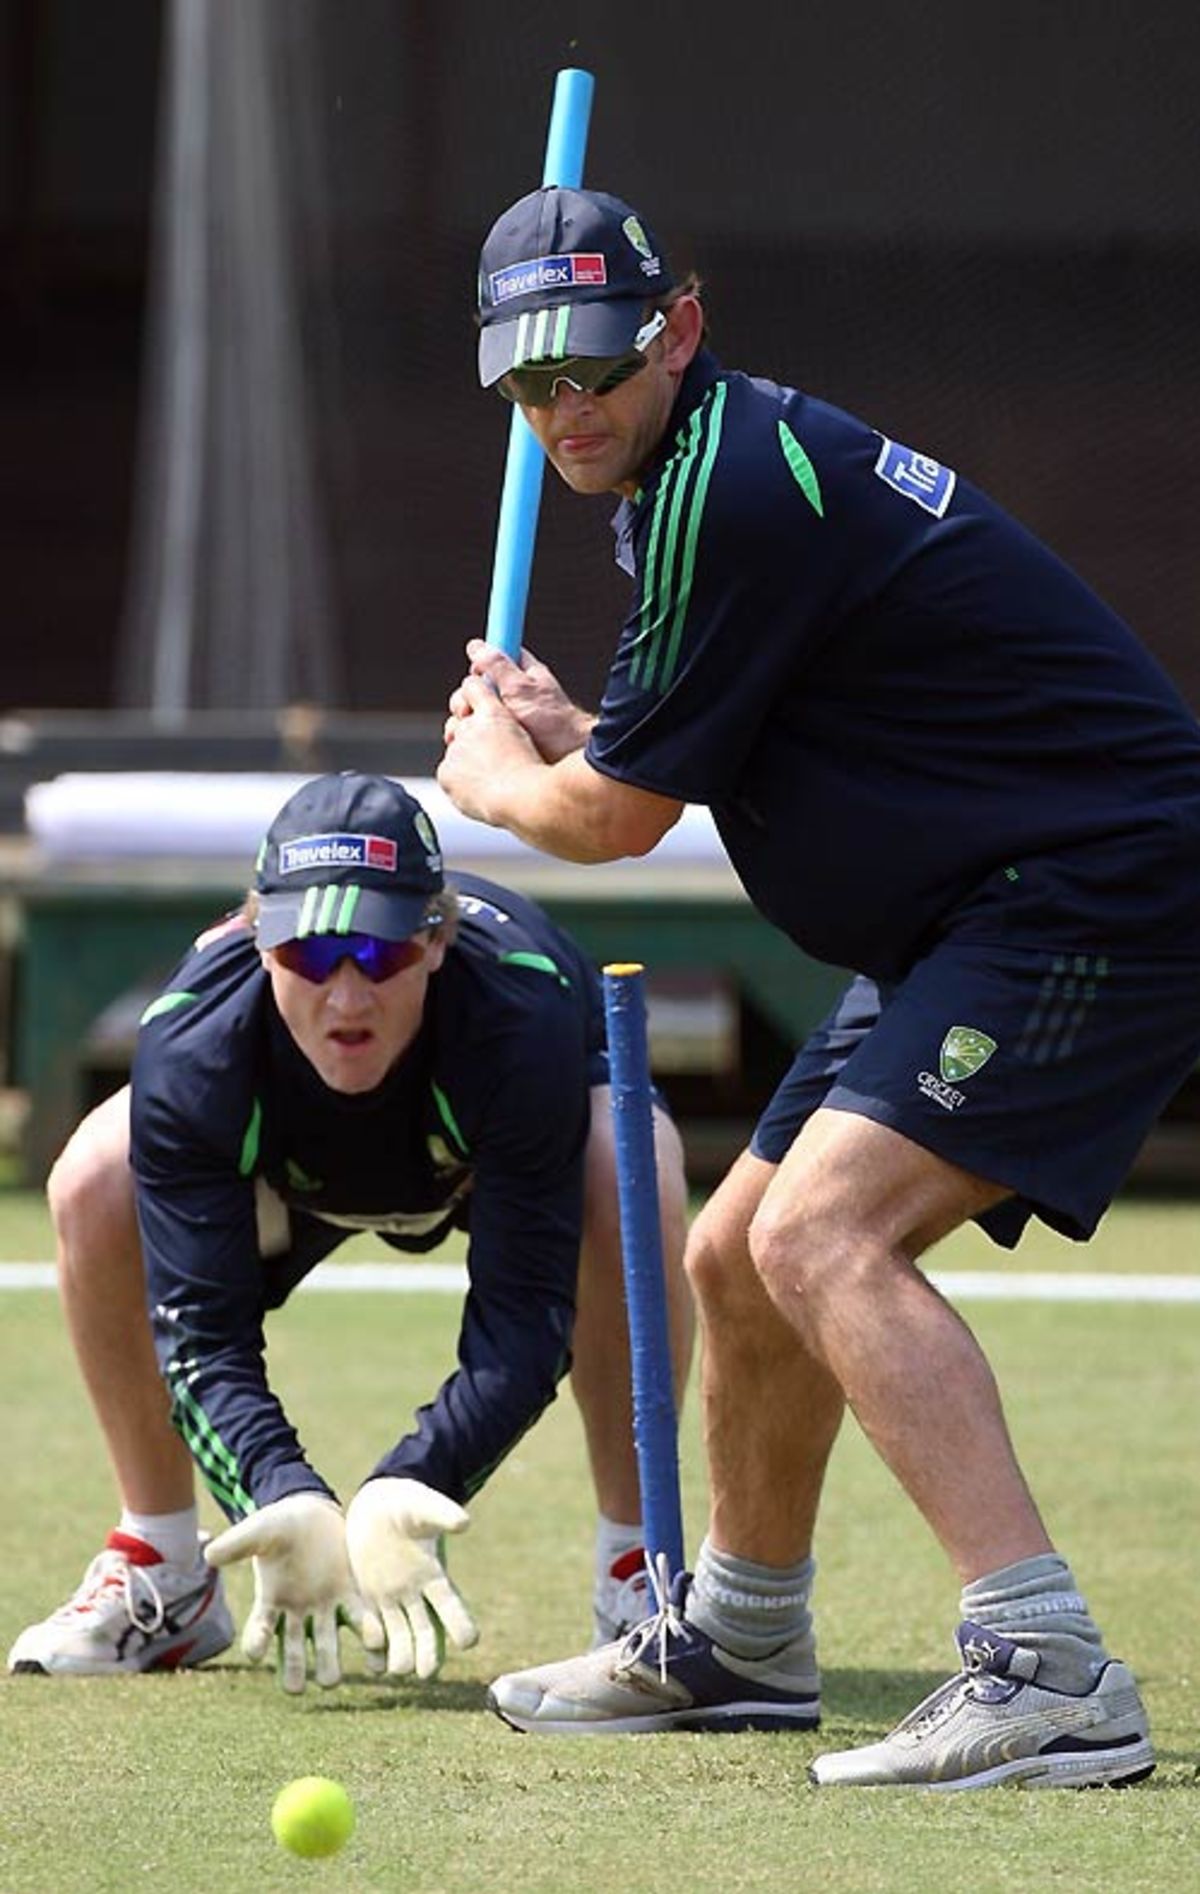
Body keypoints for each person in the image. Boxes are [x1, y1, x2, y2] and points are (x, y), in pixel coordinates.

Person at [437, 184, 1200, 1788]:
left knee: (819, 1234)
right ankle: (746, 1637)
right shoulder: (699, 467)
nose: (565, 412)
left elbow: (618, 822)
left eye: (593, 368)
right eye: (529, 382)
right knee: (732, 1254)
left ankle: (1050, 1668)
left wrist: (503, 785)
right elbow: (696, 741)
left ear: (680, 329)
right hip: (969, 905)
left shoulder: (730, 489)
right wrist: (580, 740)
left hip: (1097, 889)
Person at [7, 770, 691, 1693]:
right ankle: (163, 1568)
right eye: (309, 954)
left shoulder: (517, 1014)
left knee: (625, 1161)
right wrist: (280, 1492)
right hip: (285, 1181)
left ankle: (636, 1570)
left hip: (484, 1169)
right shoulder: (195, 1040)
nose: (347, 998)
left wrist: (417, 1478)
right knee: (95, 1176)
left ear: (437, 940)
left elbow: (526, 1319)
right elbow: (201, 1335)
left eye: (381, 952)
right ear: (257, 942)